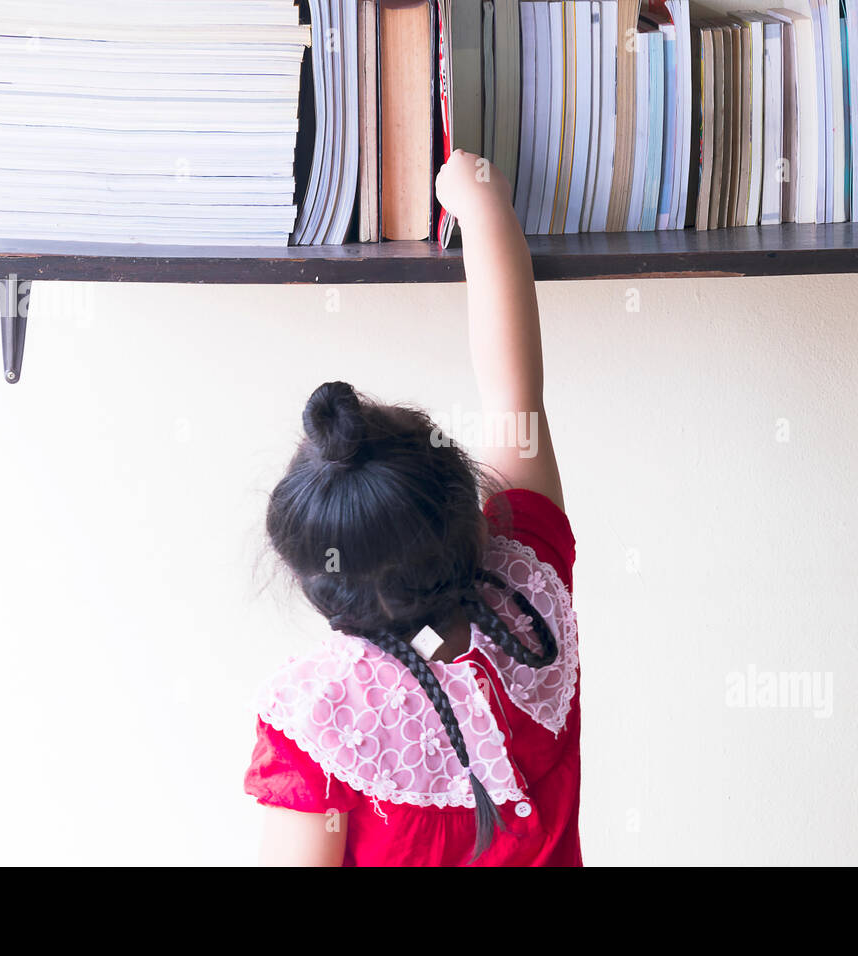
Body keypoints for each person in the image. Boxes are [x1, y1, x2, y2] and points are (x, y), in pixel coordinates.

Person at [244, 149, 580, 865]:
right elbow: (514, 392)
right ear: (468, 507)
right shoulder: (529, 594)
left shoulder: (322, 727)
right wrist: (484, 206)